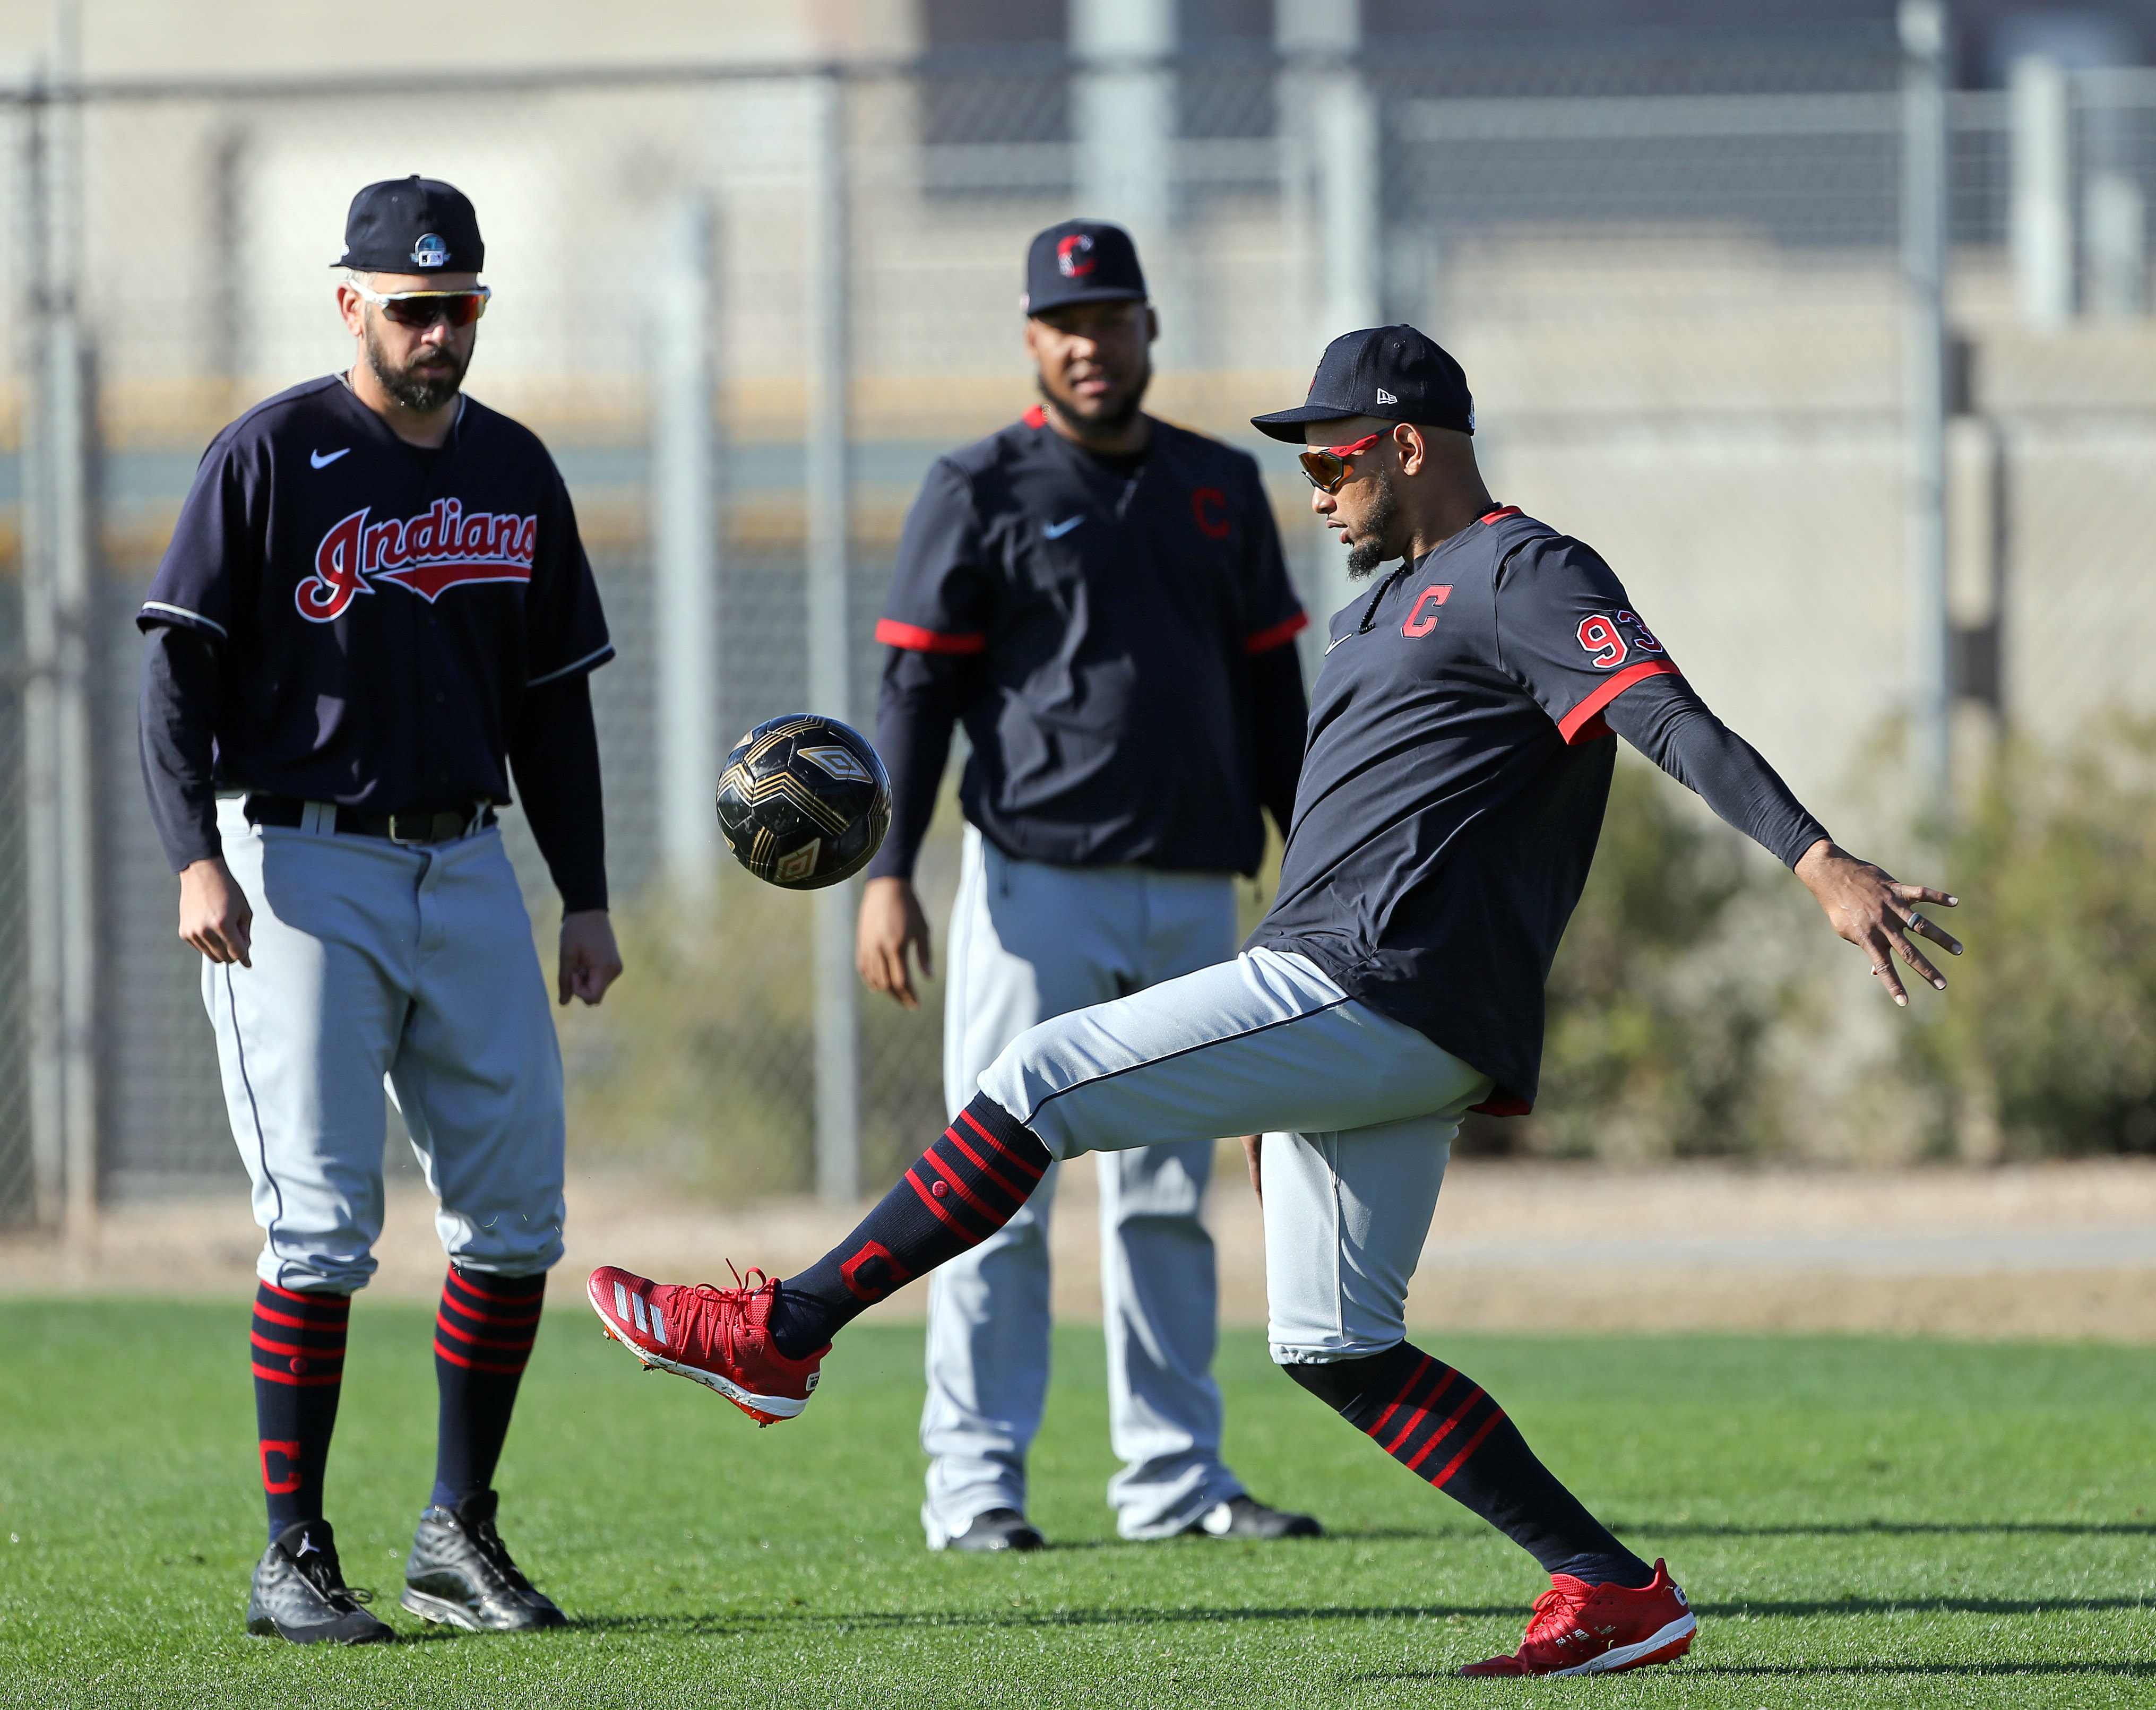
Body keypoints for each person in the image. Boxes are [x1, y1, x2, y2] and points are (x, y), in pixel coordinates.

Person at [586, 325, 1961, 1678]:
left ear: (1409, 444)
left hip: (1379, 988)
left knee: (1030, 1077)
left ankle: (780, 1332)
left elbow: (1664, 713)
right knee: (1332, 1340)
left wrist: (1813, 855)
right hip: (1345, 1008)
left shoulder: (1520, 570)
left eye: (1335, 456)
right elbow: (1334, 839)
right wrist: (1262, 1073)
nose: (1314, 483)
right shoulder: (1371, 610)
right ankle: (1610, 1587)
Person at [136, 176, 622, 1644]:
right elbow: (174, 675)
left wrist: (585, 892)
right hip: (295, 856)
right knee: (322, 1221)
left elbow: (553, 707)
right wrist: (191, 856)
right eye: (410, 305)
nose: (437, 328)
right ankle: (295, 1551)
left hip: (466, 859)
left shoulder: (518, 469)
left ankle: (454, 1533)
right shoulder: (270, 454)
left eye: (458, 303)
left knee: (517, 1208)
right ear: (347, 299)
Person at [852, 220, 1319, 1551]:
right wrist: (888, 872)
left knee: (1171, 1196)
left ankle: (1174, 1481)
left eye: (1110, 316)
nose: (1090, 342)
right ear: (1030, 340)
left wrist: (1313, 869)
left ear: (1149, 328)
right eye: (1065, 321)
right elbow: (918, 693)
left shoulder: (1221, 484)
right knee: (994, 1192)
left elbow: (1276, 700)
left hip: (1192, 888)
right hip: (1035, 885)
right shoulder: (978, 483)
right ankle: (976, 1487)